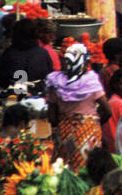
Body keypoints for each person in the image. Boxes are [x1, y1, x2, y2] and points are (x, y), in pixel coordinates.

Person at [45, 43, 112, 171]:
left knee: (63, 167)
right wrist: (96, 121)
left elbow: (52, 116)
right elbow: (108, 111)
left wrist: (57, 127)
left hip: (64, 130)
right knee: (87, 167)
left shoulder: (56, 82)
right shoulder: (91, 82)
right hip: (88, 130)